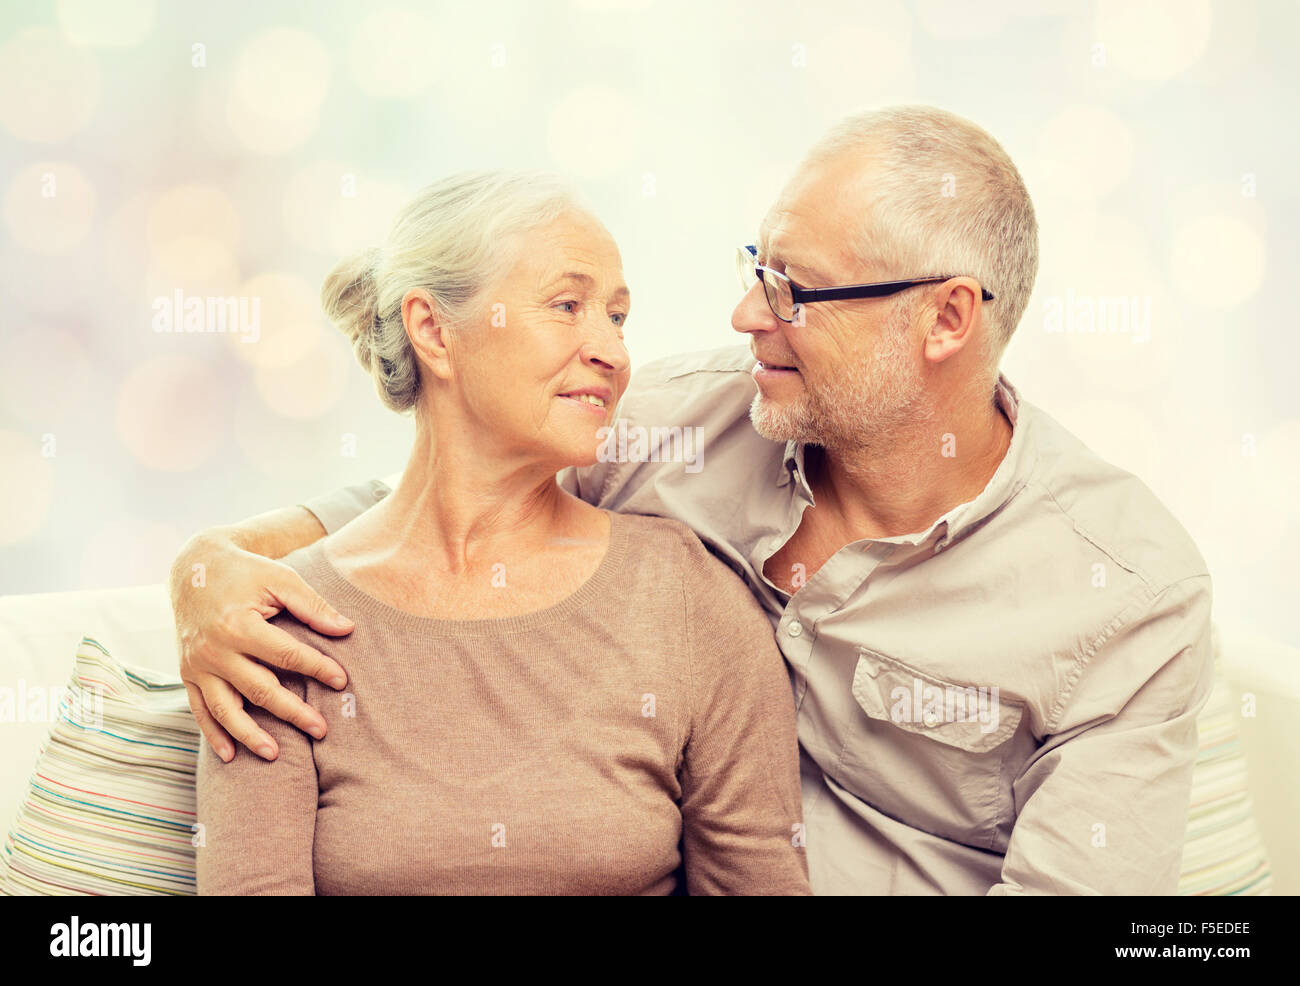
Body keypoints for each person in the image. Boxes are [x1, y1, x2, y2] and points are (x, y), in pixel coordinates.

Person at [176, 106, 1213, 895]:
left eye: (795, 289)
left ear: (945, 319)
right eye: (756, 265)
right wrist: (209, 570)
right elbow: (455, 497)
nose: (745, 312)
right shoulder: (688, 420)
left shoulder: (1122, 594)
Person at [192, 170, 811, 895]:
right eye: (568, 305)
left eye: (617, 317)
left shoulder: (687, 597)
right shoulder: (276, 627)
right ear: (433, 331)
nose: (611, 352)